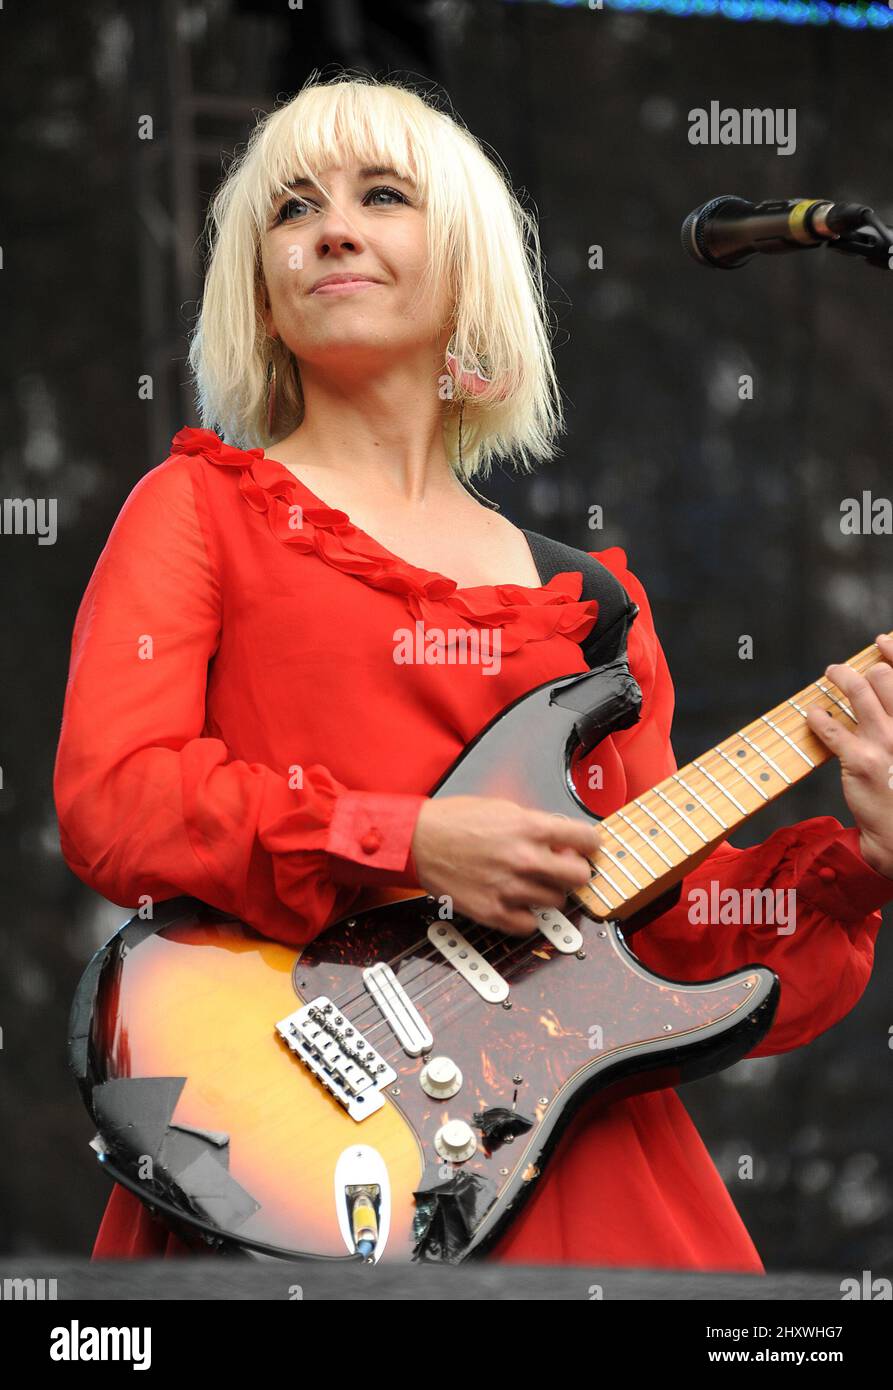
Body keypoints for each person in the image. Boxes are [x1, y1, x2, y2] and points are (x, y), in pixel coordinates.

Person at [54, 73, 893, 1269]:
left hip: (565, 1171)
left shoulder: (596, 607)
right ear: (257, 285)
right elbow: (114, 799)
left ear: (468, 268)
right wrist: (403, 840)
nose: (330, 226)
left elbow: (667, 950)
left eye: (380, 194)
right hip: (290, 1150)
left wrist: (862, 871)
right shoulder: (194, 510)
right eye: (290, 210)